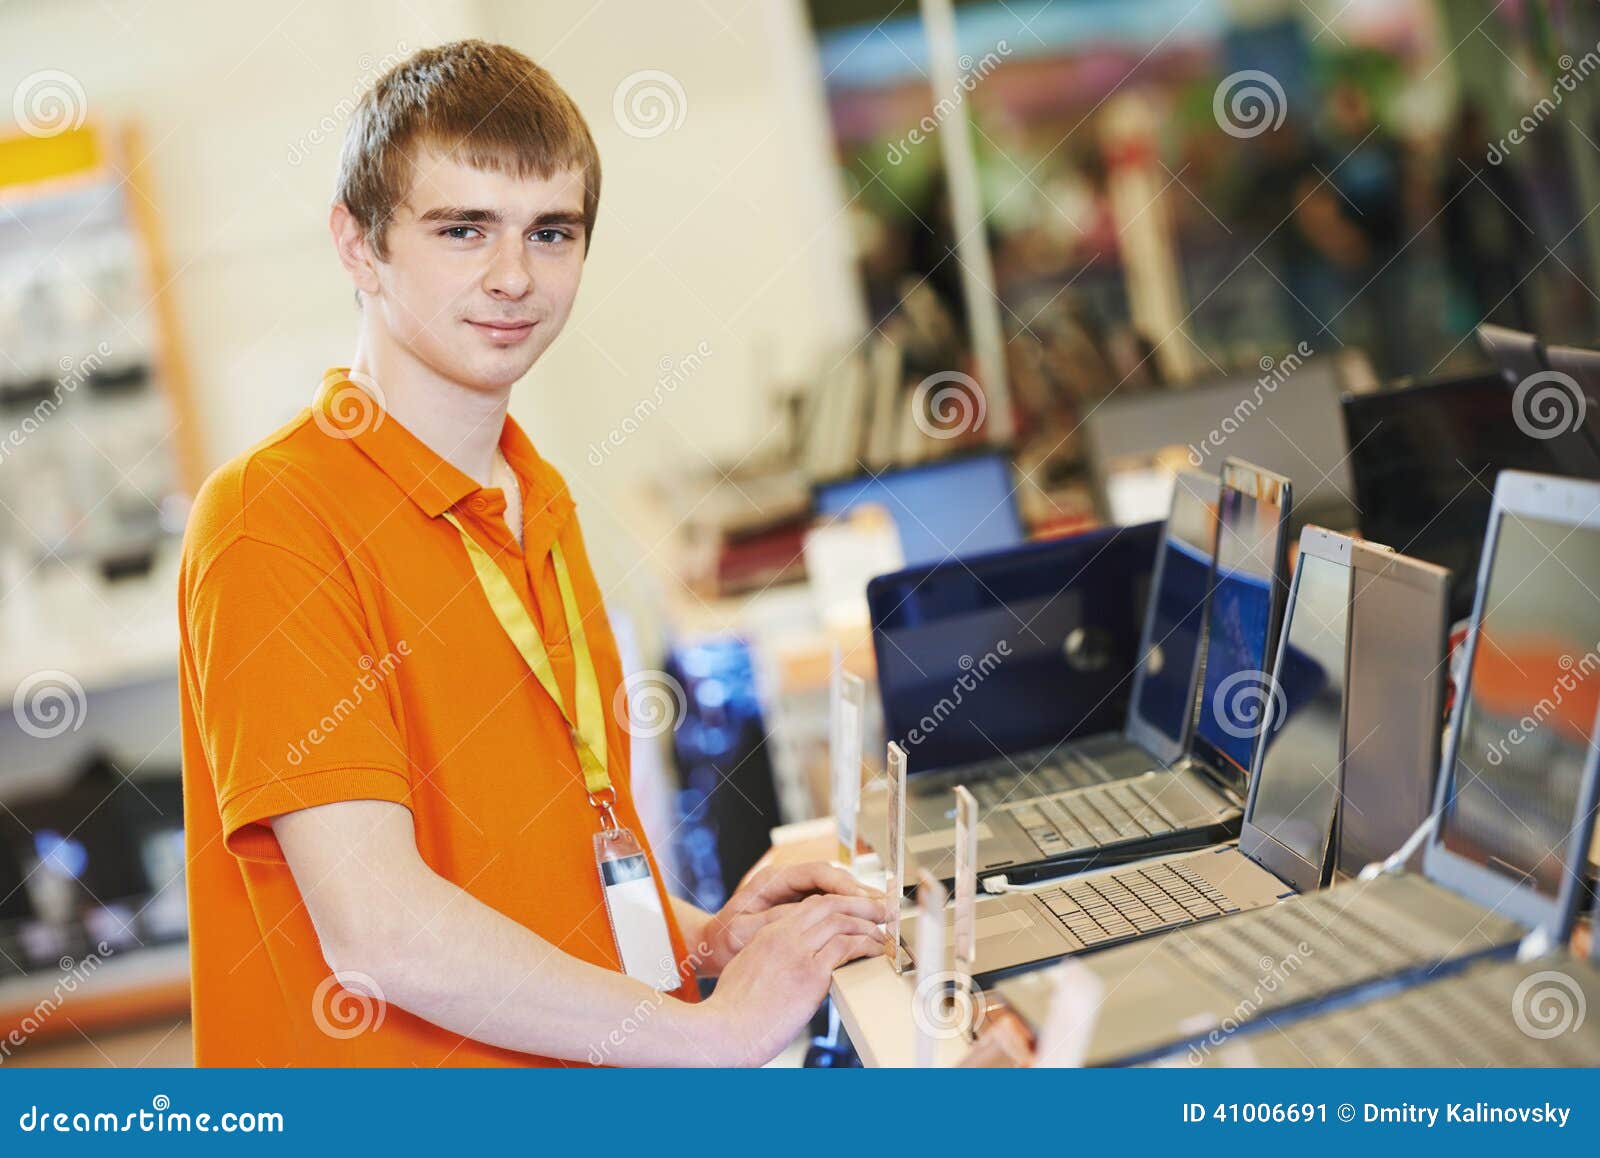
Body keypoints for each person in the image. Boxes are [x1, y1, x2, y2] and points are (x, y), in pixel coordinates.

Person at [178, 39, 887, 1067]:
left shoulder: (532, 494)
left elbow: (537, 878)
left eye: (550, 232)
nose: (514, 276)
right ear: (358, 245)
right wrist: (713, 1033)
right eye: (462, 229)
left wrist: (705, 942)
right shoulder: (271, 520)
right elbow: (382, 933)